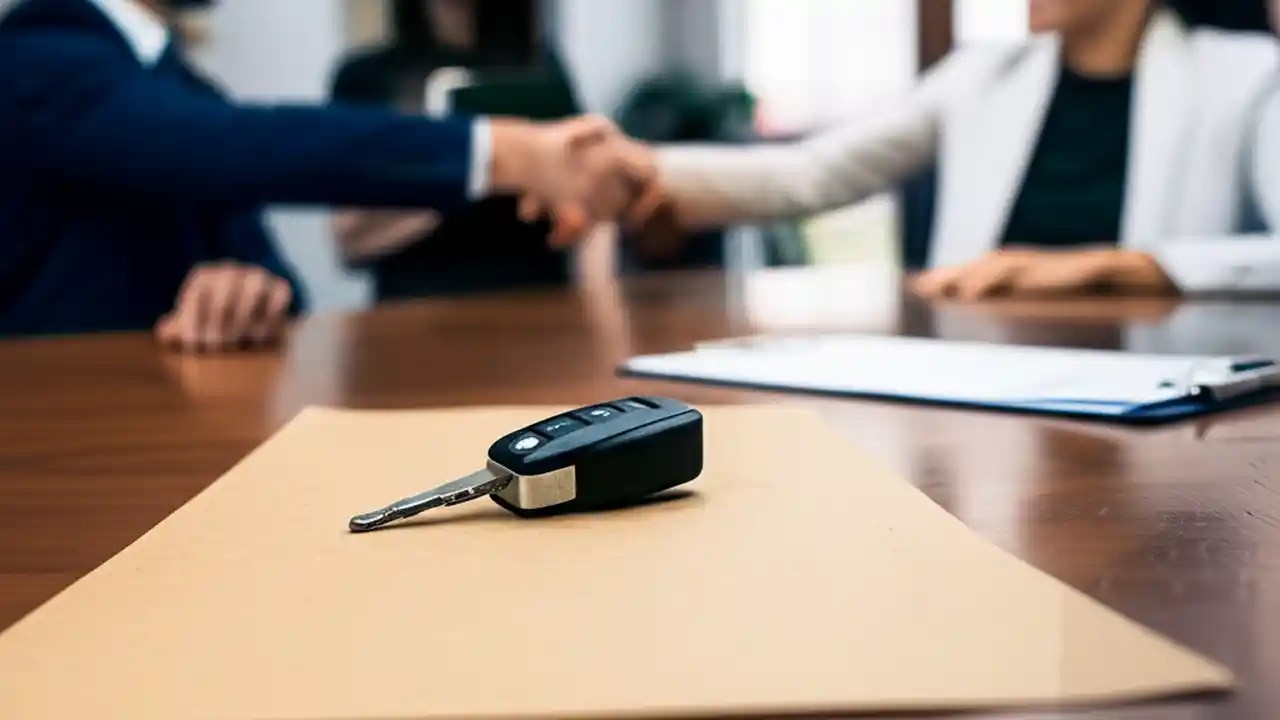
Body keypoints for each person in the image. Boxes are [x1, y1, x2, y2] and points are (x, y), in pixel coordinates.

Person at [0, 0, 634, 348]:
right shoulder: (41, 47)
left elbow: (284, 286)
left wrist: (251, 289)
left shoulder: (190, 88)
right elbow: (228, 144)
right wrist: (510, 153)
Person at [597, 0, 1280, 299]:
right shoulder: (983, 75)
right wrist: (633, 169)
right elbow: (811, 173)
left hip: (1160, 407)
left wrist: (1115, 267)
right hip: (982, 381)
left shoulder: (1247, 76)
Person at [330, 0, 586, 300]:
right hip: (417, 313)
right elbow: (350, 238)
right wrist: (479, 165)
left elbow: (586, 207)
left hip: (539, 302)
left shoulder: (543, 68)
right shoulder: (366, 78)